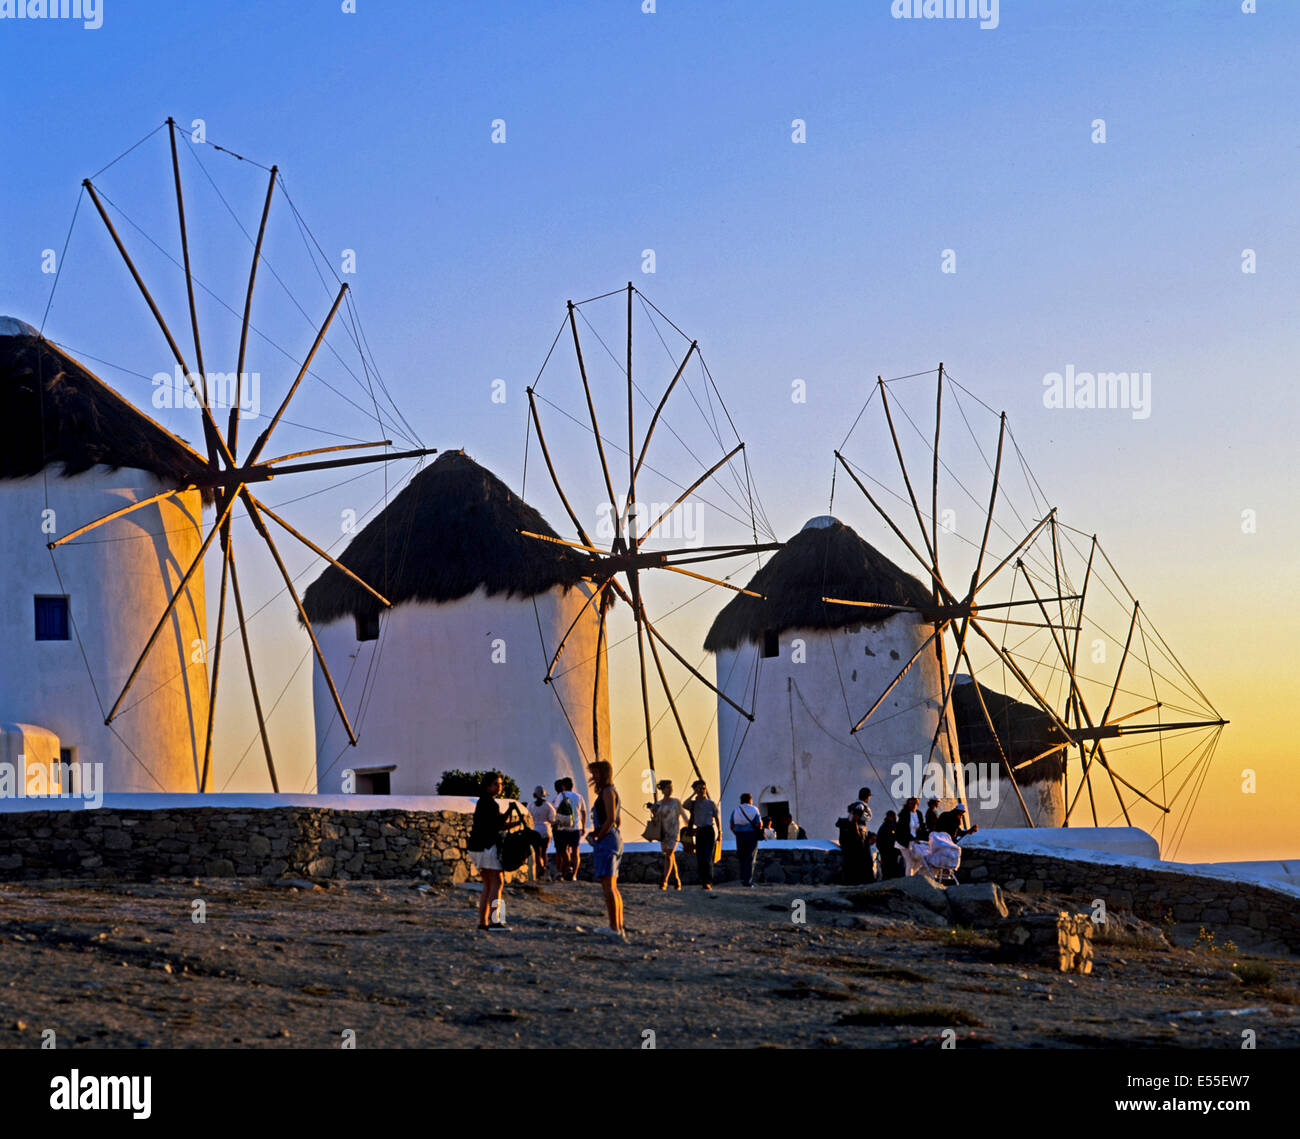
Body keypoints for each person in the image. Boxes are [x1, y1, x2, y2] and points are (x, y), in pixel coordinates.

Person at [586, 760, 625, 939]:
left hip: (607, 841)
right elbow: (618, 820)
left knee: (608, 887)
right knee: (612, 887)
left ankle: (614, 927)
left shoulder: (608, 792)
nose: (593, 777)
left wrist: (598, 836)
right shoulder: (611, 792)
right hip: (613, 838)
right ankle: (617, 926)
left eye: (595, 773)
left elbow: (610, 819)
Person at [467, 771, 508, 930]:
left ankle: (483, 922)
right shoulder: (490, 803)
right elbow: (497, 825)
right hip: (487, 847)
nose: (499, 787)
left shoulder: (482, 802)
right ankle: (496, 921)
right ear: (488, 786)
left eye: (500, 784)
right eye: (496, 784)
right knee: (498, 882)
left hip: (476, 847)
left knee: (488, 884)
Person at [647, 779, 689, 890]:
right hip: (664, 833)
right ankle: (677, 880)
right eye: (668, 788)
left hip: (674, 832)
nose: (670, 790)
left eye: (671, 787)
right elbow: (656, 818)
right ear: (663, 790)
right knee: (670, 856)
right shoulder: (659, 804)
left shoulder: (676, 802)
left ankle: (664, 881)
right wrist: (653, 810)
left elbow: (683, 814)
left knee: (669, 854)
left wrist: (689, 826)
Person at [684, 780, 719, 890]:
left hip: (709, 831)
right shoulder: (693, 804)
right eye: (700, 788)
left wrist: (720, 832)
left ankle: (708, 881)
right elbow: (684, 804)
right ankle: (703, 880)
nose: (702, 790)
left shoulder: (711, 803)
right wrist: (694, 793)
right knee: (700, 857)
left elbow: (716, 818)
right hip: (699, 832)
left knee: (708, 857)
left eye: (704, 788)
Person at [552, 776, 587, 881]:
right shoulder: (579, 797)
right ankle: (574, 875)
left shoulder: (560, 796)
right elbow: (584, 813)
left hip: (563, 828)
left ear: (563, 786)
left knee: (564, 850)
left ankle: (567, 869)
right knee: (576, 852)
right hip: (576, 827)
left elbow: (556, 811)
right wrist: (583, 826)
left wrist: (557, 825)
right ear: (572, 786)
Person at [729, 793, 763, 887]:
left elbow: (731, 826)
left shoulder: (735, 810)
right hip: (751, 835)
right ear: (750, 800)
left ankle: (742, 878)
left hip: (739, 836)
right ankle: (748, 881)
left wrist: (737, 833)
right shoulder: (754, 809)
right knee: (750, 858)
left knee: (742, 857)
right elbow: (759, 824)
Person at [836, 804, 871, 885]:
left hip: (852, 848)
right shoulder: (852, 822)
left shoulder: (851, 821)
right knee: (852, 867)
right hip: (852, 848)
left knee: (852, 867)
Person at [527, 785, 556, 880]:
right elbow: (552, 819)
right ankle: (544, 871)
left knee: (537, 853)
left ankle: (540, 868)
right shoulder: (548, 806)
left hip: (535, 830)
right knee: (544, 852)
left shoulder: (531, 805)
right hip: (545, 830)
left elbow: (528, 818)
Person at [876, 809, 903, 879]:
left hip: (895, 853)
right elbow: (879, 841)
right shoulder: (884, 827)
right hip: (886, 853)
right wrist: (883, 851)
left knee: (896, 870)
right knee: (887, 871)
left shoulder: (896, 826)